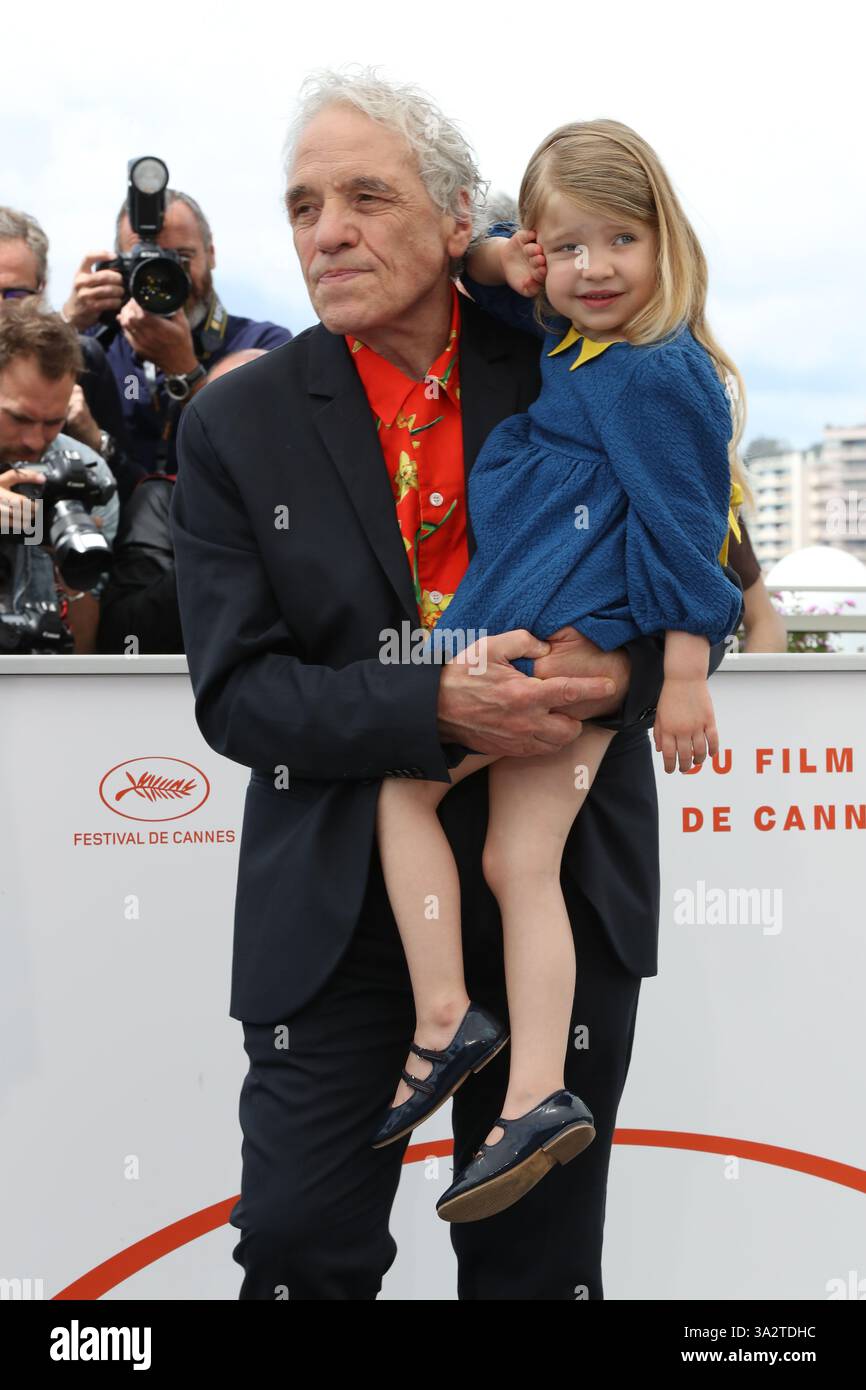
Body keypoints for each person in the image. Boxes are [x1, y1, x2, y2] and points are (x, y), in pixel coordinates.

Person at [170, 67, 743, 1300]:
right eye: (304, 206)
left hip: (562, 882)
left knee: (534, 1269)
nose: (329, 230)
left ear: (456, 221)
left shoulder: (583, 350)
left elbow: (709, 561)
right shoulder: (235, 424)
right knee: (294, 1247)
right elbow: (238, 695)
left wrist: (620, 674)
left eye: (368, 195)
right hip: (338, 907)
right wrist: (430, 703)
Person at [368, 118, 749, 1224]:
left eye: (617, 241)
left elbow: (691, 537)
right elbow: (485, 264)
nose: (590, 270)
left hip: (554, 633)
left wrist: (679, 675)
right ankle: (531, 1088)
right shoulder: (582, 341)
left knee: (405, 788)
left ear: (662, 240)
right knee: (513, 859)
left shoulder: (653, 371)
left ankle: (446, 1018)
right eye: (564, 248)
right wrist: (499, 252)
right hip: (548, 623)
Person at [62, 191, 293, 476]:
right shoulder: (94, 345)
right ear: (120, 268)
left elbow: (269, 453)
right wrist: (66, 323)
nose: (164, 276)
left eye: (181, 258)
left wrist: (186, 371)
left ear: (211, 254)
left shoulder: (262, 345)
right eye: (146, 264)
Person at [95, 349, 268, 656]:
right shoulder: (164, 500)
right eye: (223, 413)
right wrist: (220, 537)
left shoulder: (332, 502)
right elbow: (126, 637)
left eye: (264, 413)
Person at [0, 206, 141, 504]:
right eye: (18, 418)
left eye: (13, 295)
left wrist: (95, 440)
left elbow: (136, 498)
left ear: (41, 290)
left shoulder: (82, 359)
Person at [0, 302, 119, 653]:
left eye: (53, 422)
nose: (35, 441)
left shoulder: (88, 474)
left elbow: (81, 653)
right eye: (19, 419)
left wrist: (71, 570)